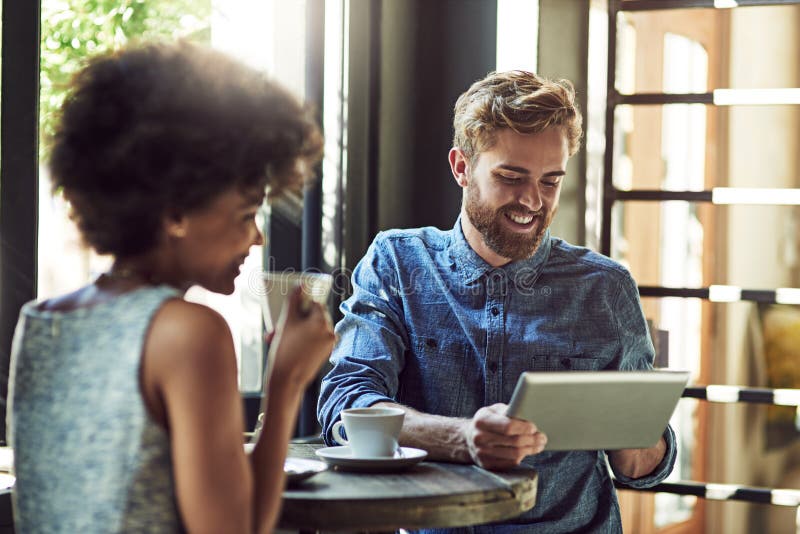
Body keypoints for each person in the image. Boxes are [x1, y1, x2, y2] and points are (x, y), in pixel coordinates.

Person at [317, 70, 676, 533]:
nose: (533, 200)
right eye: (511, 176)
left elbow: (644, 467)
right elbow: (346, 406)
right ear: (461, 167)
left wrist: (638, 447)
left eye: (551, 181)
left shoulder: (604, 287)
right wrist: (462, 438)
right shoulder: (398, 264)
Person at [7, 42, 335, 533]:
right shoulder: (188, 333)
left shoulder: (41, 319)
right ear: (177, 211)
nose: (258, 237)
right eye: (247, 214)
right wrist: (285, 380)